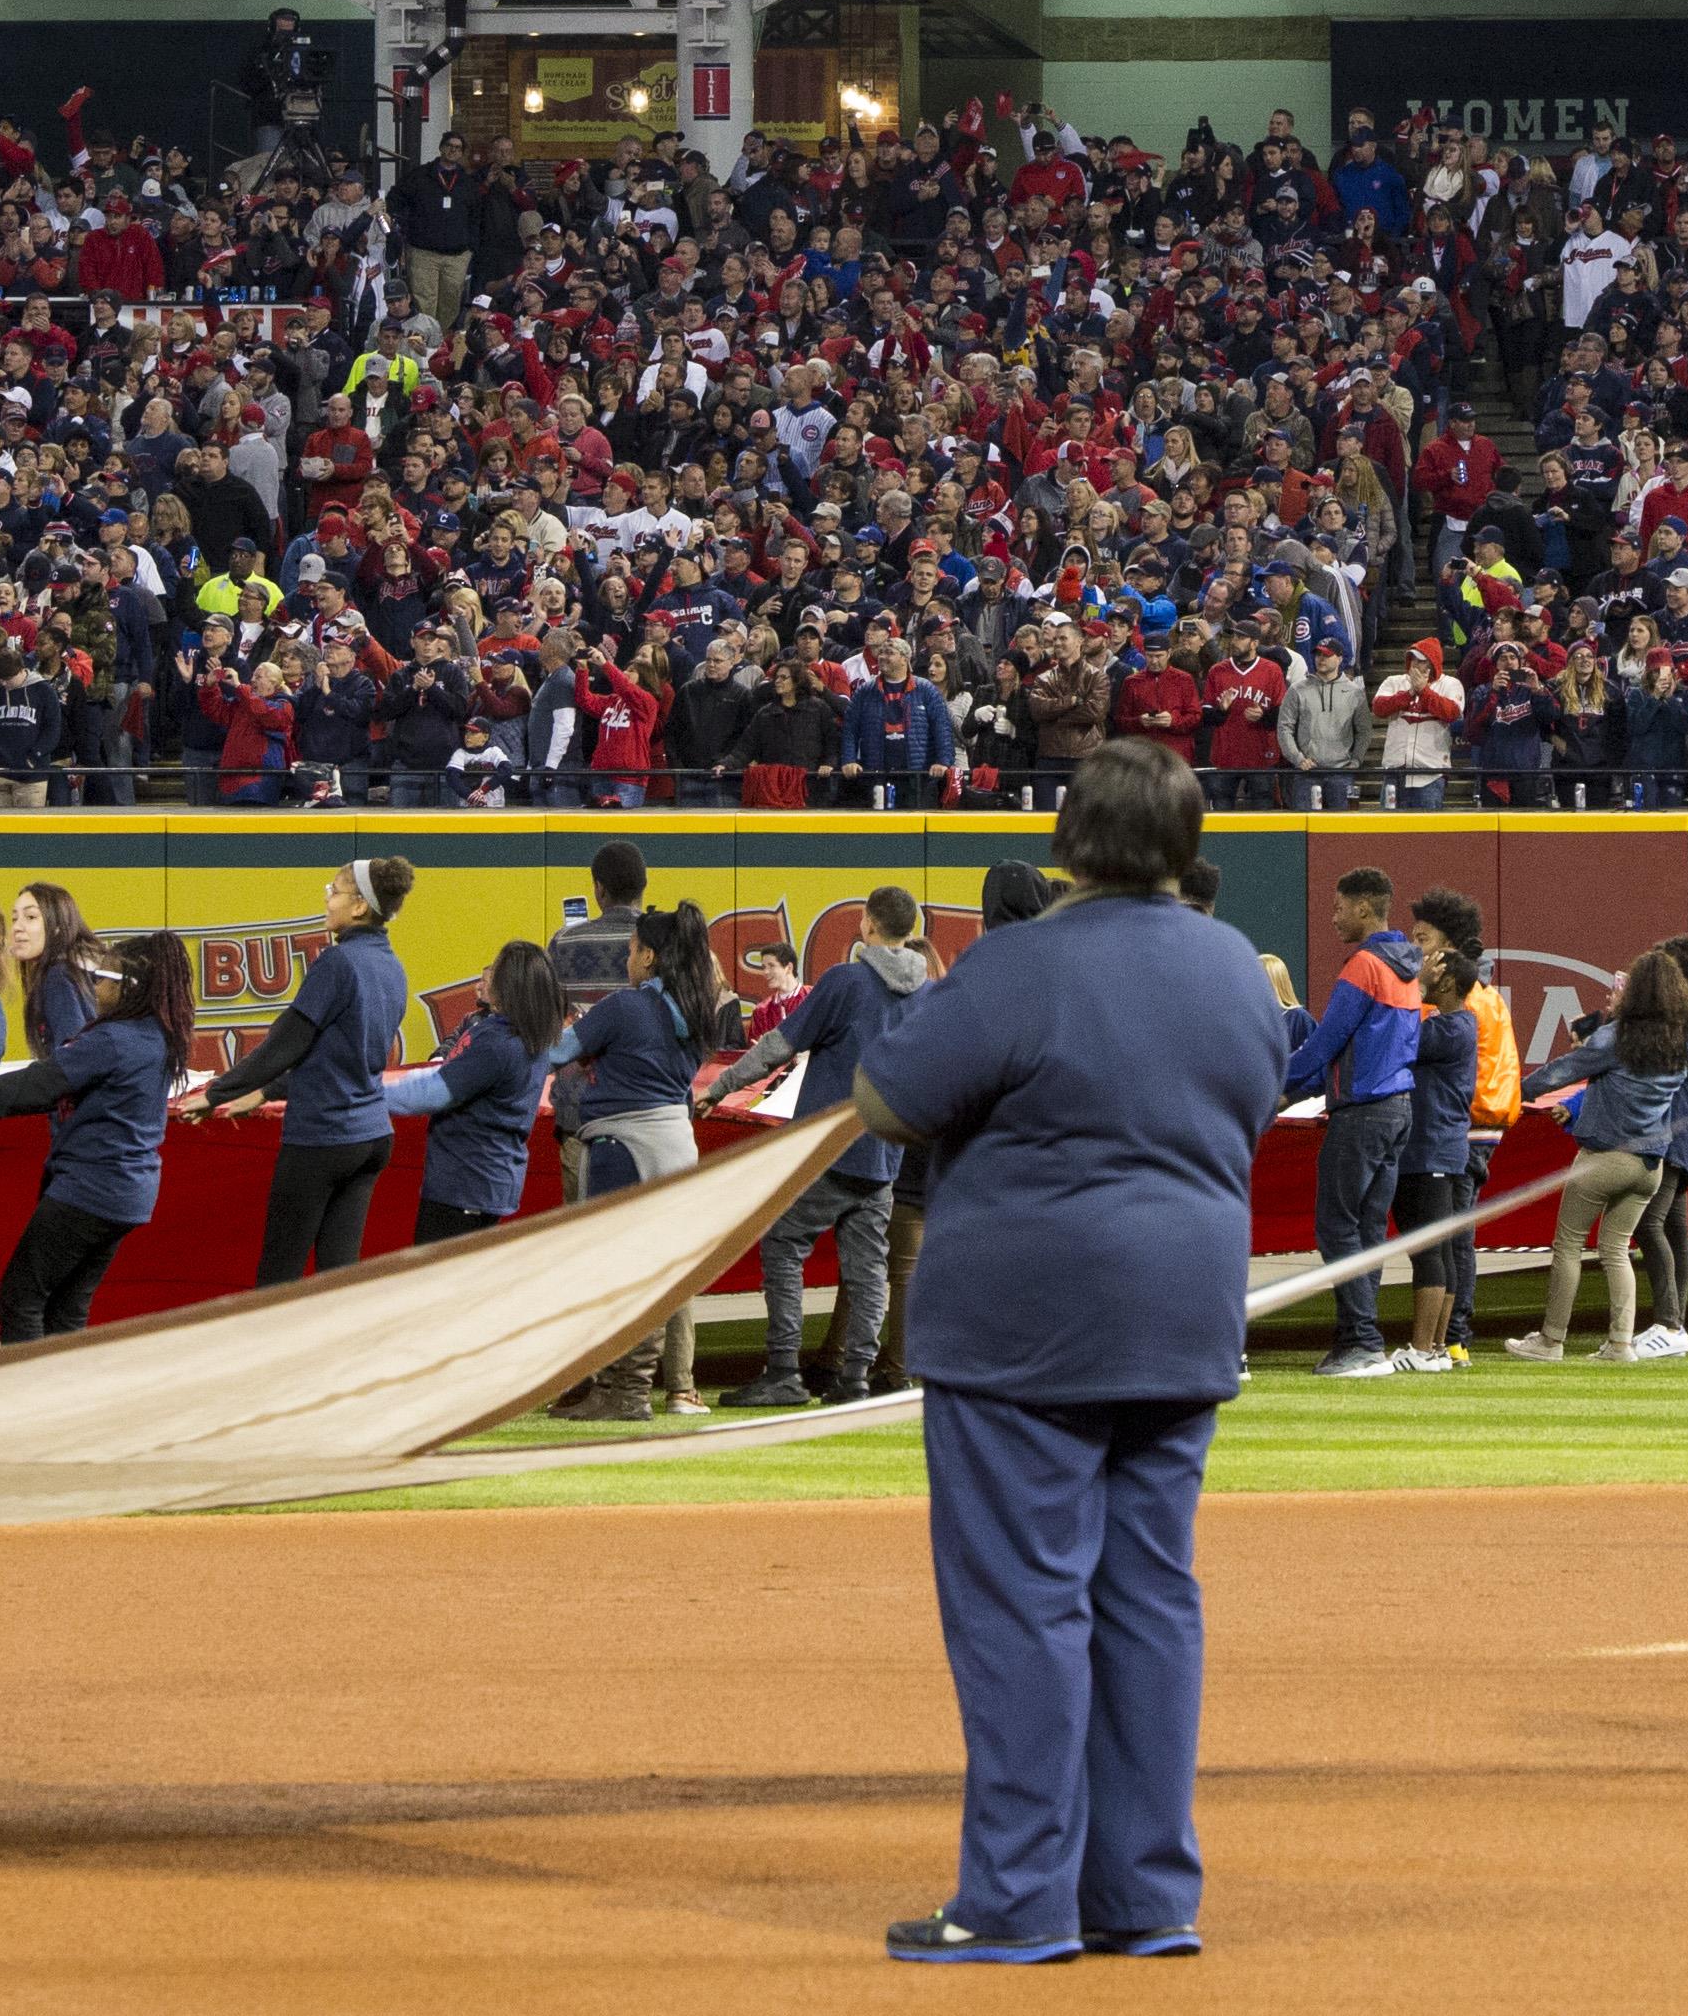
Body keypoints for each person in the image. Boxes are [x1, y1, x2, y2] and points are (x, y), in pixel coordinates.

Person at [855, 741, 1288, 1965]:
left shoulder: (1024, 957)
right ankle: (1146, 1894)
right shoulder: (1232, 964)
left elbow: (888, 1099)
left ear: (1066, 842)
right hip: (1186, 1306)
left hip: (1026, 1318)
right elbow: (1253, 1104)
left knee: (1022, 1608)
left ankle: (1015, 1897)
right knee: (1150, 1602)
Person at [711, 889, 929, 1405]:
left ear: (866, 925)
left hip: (830, 1148)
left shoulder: (845, 981)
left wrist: (720, 1088)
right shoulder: (925, 992)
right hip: (884, 1154)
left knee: (783, 1244)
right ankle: (855, 1377)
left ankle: (784, 1370)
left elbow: (777, 1046)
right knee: (868, 1265)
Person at [178, 857, 415, 1286]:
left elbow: (285, 1043)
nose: (327, 897)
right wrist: (260, 1094)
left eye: (335, 890)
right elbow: (338, 1055)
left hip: (323, 1137)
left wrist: (216, 1092)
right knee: (338, 1278)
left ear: (360, 906)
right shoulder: (392, 967)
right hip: (371, 1137)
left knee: (279, 1276)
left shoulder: (337, 963)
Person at [550, 900, 737, 1419]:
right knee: (653, 1273)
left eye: (633, 950)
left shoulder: (626, 1006)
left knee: (612, 1273)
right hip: (675, 1145)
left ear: (650, 956)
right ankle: (622, 1390)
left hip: (623, 1149)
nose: (628, 959)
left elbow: (556, 1053)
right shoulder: (699, 1011)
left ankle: (624, 1391)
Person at [0, 903, 194, 1332]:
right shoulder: (158, 1035)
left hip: (91, 1188)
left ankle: (27, 1396)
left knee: (21, 1298)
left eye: (101, 979)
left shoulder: (113, 1040)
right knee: (67, 1308)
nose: (92, 987)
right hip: (129, 1193)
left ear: (128, 987)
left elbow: (37, 1085)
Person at [1514, 941, 1688, 1359]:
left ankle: (1551, 1340)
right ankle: (1621, 1342)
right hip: (1651, 1164)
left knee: (1568, 1244)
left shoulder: (1616, 1037)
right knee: (1616, 1250)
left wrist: (1511, 1092)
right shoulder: (1685, 1042)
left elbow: (1558, 1073)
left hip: (1605, 1158)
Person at [1275, 865, 1427, 1381]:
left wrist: (1273, 1080)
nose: (1333, 916)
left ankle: (1361, 1341)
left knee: (1337, 1226)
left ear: (1364, 908)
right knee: (1365, 1229)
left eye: (1339, 907)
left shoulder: (1364, 965)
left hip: (1363, 1112)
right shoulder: (1405, 967)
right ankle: (1359, 1342)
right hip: (1397, 1110)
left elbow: (1324, 1044)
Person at [385, 934, 574, 1247]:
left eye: (496, 970)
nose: (487, 978)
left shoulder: (500, 1044)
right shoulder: (524, 1036)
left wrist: (367, 1095)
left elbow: (436, 1092)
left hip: (466, 1184)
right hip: (483, 1180)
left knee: (440, 1281)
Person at [1394, 894, 1512, 1373]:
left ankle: (1450, 1340)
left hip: (1461, 1132)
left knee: (1449, 1243)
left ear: (1445, 952)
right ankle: (1447, 1342)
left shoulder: (1467, 1008)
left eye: (1422, 940)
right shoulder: (1483, 998)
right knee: (1450, 1241)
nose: (1413, 948)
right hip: (1469, 1126)